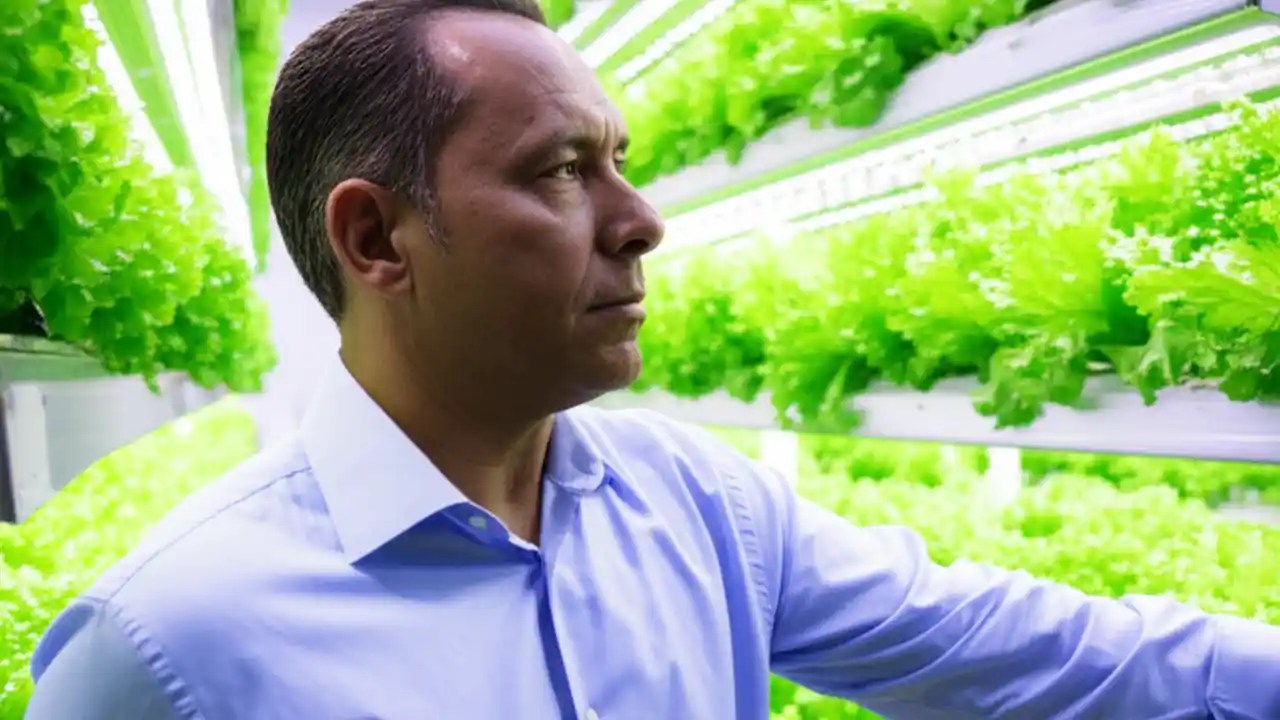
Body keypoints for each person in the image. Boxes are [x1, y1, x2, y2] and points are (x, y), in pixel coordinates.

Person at [25, 1, 1279, 718]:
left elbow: (1036, 650)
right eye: (560, 171)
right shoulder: (166, 647)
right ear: (375, 239)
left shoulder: (699, 505)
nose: (641, 221)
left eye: (619, 160)